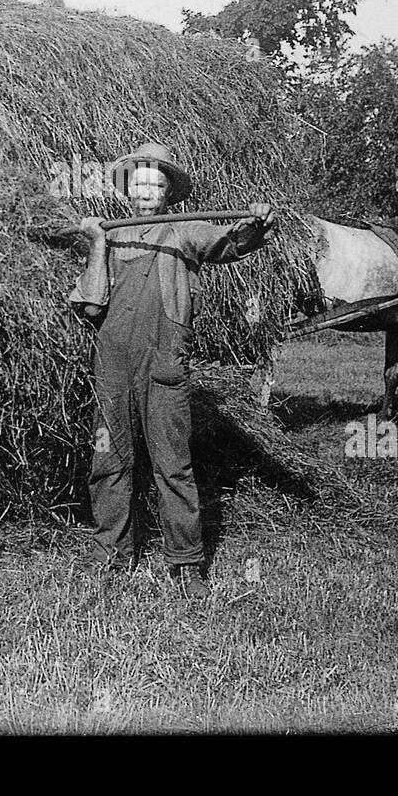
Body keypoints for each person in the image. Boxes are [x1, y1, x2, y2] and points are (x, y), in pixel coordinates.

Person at [69, 142, 276, 600]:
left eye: (156, 182)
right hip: (111, 367)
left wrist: (257, 224)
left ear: (167, 191)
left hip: (164, 365)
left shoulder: (184, 231)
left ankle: (186, 564)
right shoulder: (111, 234)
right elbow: (89, 304)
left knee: (173, 465)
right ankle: (112, 552)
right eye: (139, 181)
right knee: (108, 459)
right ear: (127, 190)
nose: (147, 189)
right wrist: (96, 241)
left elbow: (230, 242)